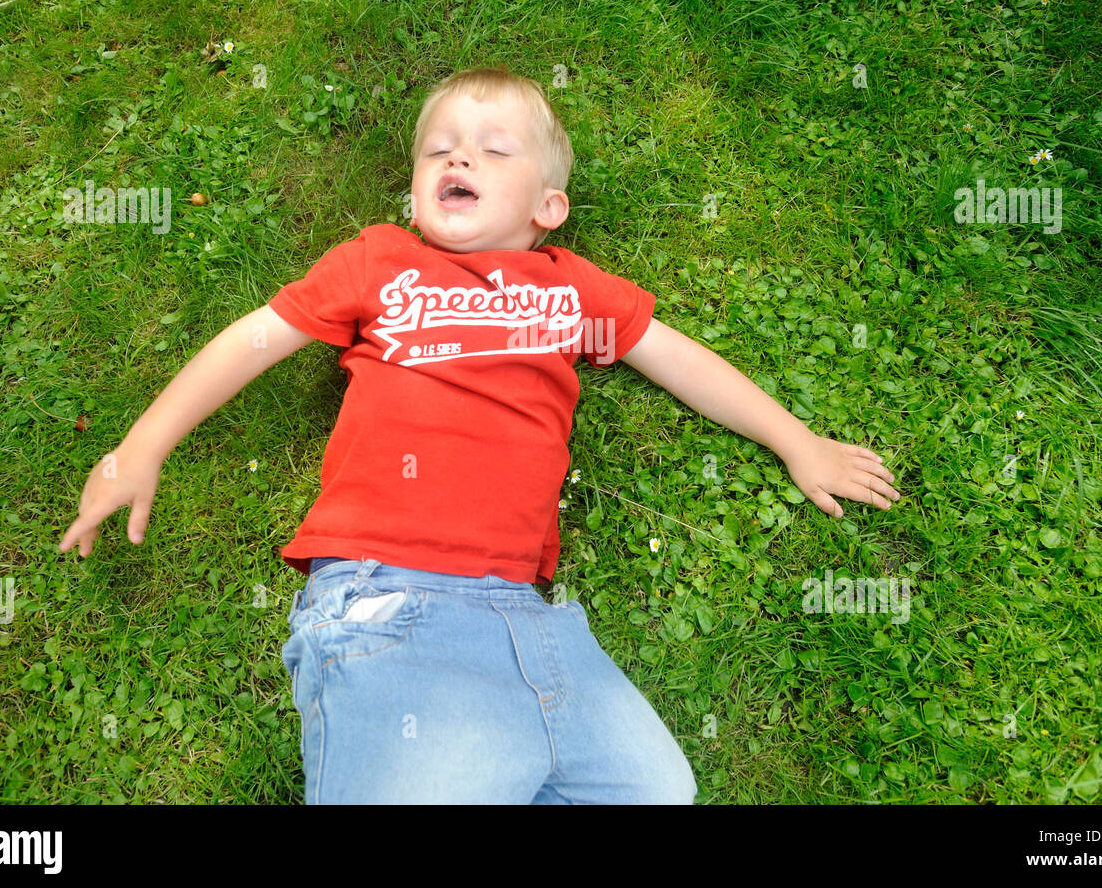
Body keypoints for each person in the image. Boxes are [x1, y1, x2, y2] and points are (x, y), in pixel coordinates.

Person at [60, 66, 900, 804]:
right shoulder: (378, 262)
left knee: (659, 789)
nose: (460, 159)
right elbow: (252, 340)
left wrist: (797, 442)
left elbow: (679, 359)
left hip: (529, 618)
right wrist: (141, 447)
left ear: (548, 207)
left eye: (495, 150)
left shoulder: (571, 291)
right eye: (440, 150)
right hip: (388, 597)